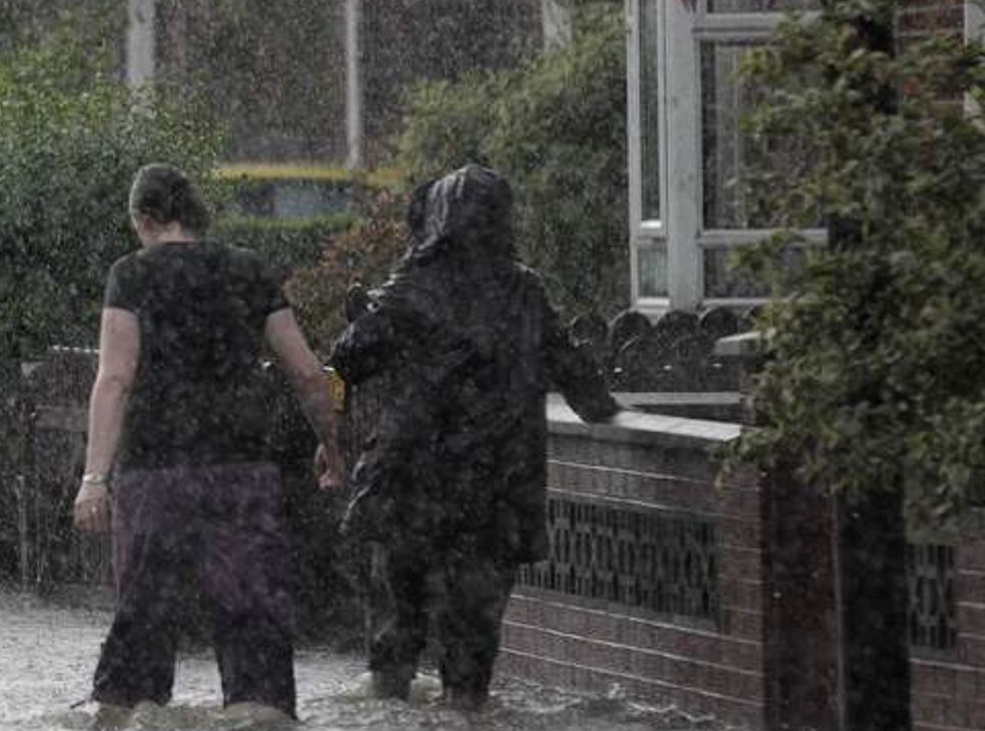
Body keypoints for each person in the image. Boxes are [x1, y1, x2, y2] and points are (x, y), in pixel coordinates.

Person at [329, 165, 619, 710]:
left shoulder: (411, 287)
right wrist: (603, 407)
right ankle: (464, 705)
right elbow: (575, 375)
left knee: (396, 628)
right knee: (472, 640)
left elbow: (348, 359)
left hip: (413, 482)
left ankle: (393, 701)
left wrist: (365, 314)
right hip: (495, 487)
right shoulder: (524, 290)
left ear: (436, 218)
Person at [71, 163, 346, 725]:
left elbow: (115, 378)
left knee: (143, 615)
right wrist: (332, 446)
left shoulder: (132, 275)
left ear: (144, 219)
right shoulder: (250, 270)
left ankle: (132, 705)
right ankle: (255, 705)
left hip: (153, 470)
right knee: (252, 616)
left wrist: (93, 478)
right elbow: (308, 373)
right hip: (241, 469)